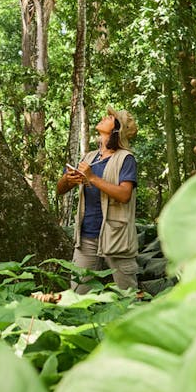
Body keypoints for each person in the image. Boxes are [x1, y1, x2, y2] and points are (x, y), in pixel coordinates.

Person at [56, 108, 140, 293]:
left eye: (110, 117)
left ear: (117, 129)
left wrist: (93, 178)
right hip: (86, 237)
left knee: (128, 296)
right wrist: (68, 179)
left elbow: (124, 195)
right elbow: (60, 189)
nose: (103, 117)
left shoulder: (126, 159)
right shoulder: (89, 157)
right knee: (79, 294)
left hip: (117, 238)